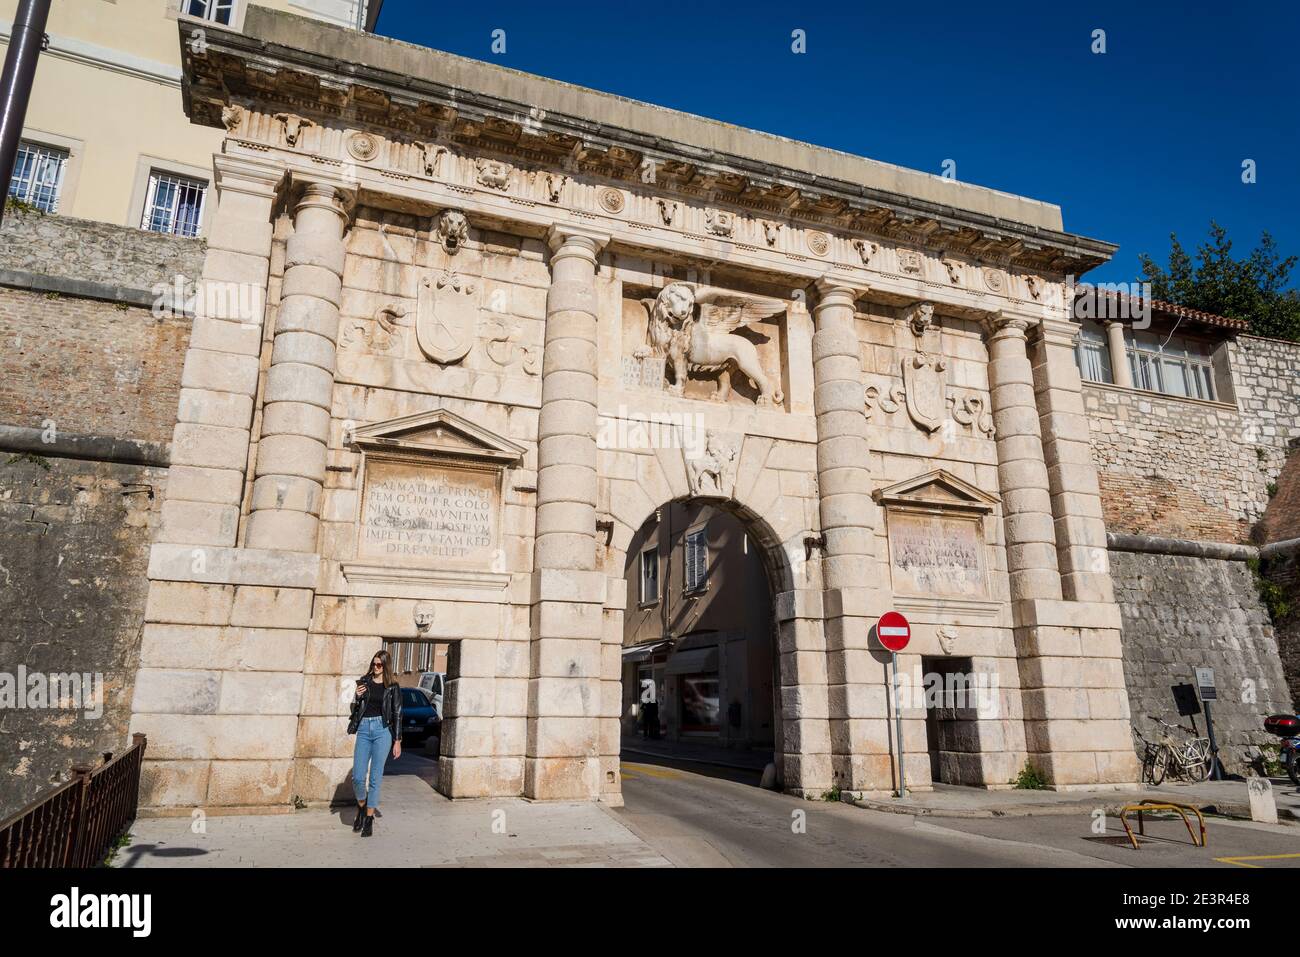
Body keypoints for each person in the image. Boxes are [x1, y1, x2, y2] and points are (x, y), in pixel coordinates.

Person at [347, 650, 402, 836]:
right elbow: (356, 707)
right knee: (358, 776)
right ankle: (362, 807)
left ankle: (369, 818)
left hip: (383, 730)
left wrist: (397, 740)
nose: (375, 667)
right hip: (364, 728)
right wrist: (357, 695)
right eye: (374, 664)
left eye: (379, 665)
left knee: (375, 778)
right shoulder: (365, 681)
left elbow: (398, 714)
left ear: (385, 666)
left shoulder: (393, 686)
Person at [640, 674, 660, 740]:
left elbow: (642, 707)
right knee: (649, 726)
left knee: (647, 726)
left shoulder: (647, 700)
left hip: (647, 715)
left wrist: (644, 709)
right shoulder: (653, 700)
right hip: (650, 715)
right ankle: (649, 736)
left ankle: (646, 736)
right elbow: (656, 708)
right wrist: (656, 714)